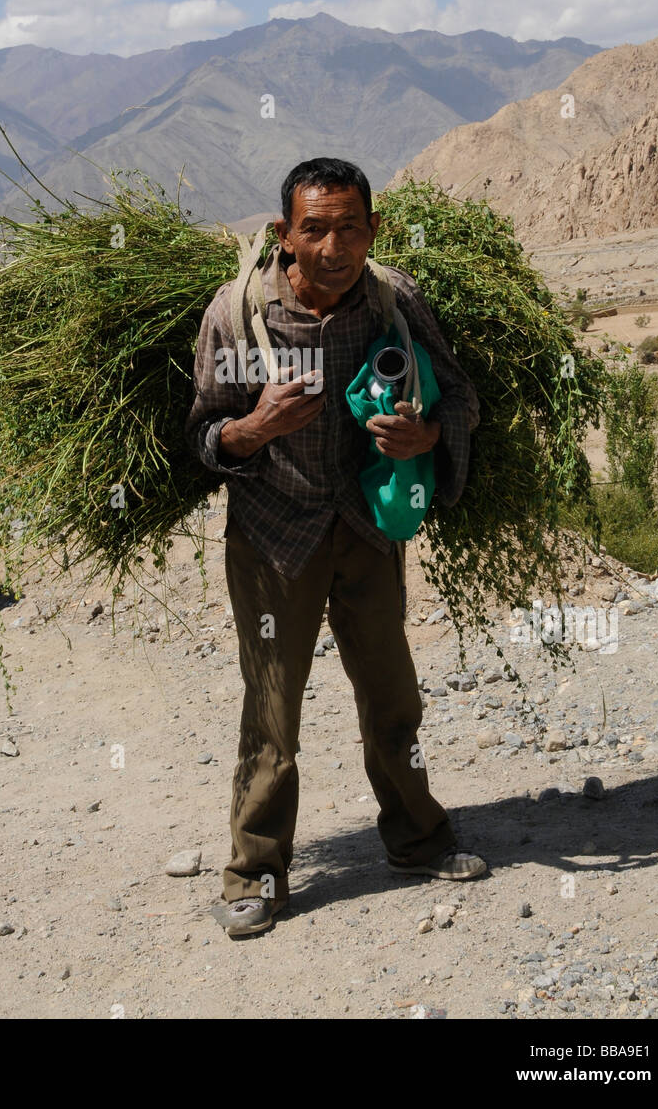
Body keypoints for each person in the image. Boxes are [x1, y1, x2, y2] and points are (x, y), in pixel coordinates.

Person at [185, 158, 486, 938]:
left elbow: (458, 395)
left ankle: (418, 839)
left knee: (392, 701)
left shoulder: (392, 305)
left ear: (372, 230)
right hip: (273, 540)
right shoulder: (240, 316)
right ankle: (253, 873)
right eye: (313, 228)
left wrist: (425, 432)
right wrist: (254, 428)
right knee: (272, 715)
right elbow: (203, 432)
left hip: (365, 531)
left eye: (349, 226)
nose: (332, 245)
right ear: (283, 233)